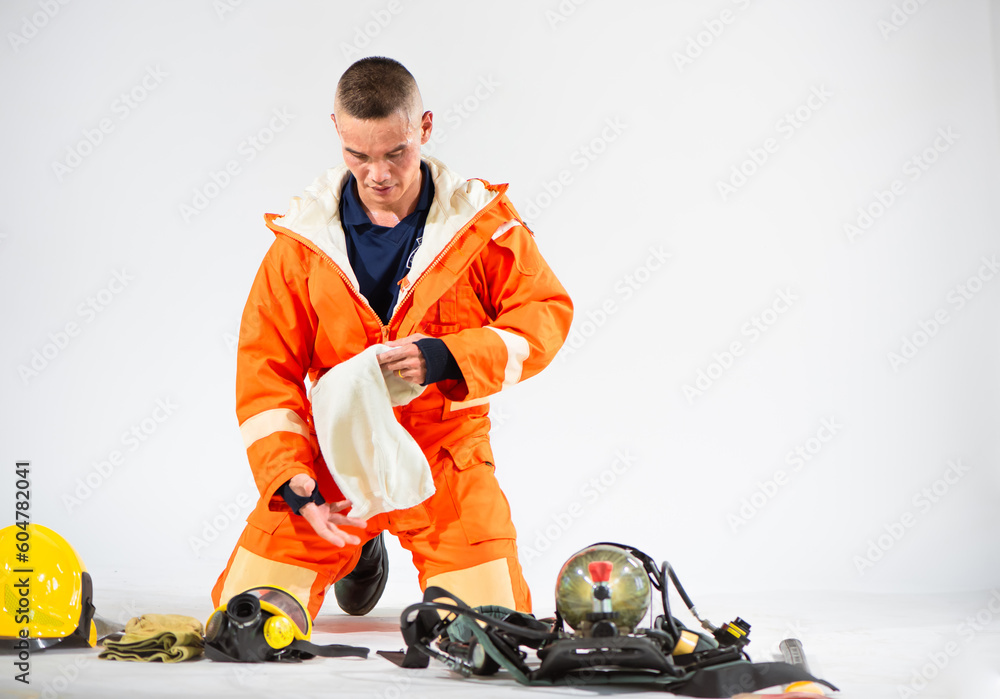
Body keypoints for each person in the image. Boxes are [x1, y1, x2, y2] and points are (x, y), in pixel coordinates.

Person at [211, 56, 573, 620]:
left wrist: (446, 356)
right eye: (359, 155)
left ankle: (378, 543)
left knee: (490, 636)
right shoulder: (300, 245)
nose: (378, 173)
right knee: (247, 624)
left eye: (395, 153)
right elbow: (266, 371)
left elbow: (543, 316)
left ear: (423, 129)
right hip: (333, 456)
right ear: (336, 132)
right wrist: (293, 481)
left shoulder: (482, 228)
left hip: (446, 459)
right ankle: (358, 547)